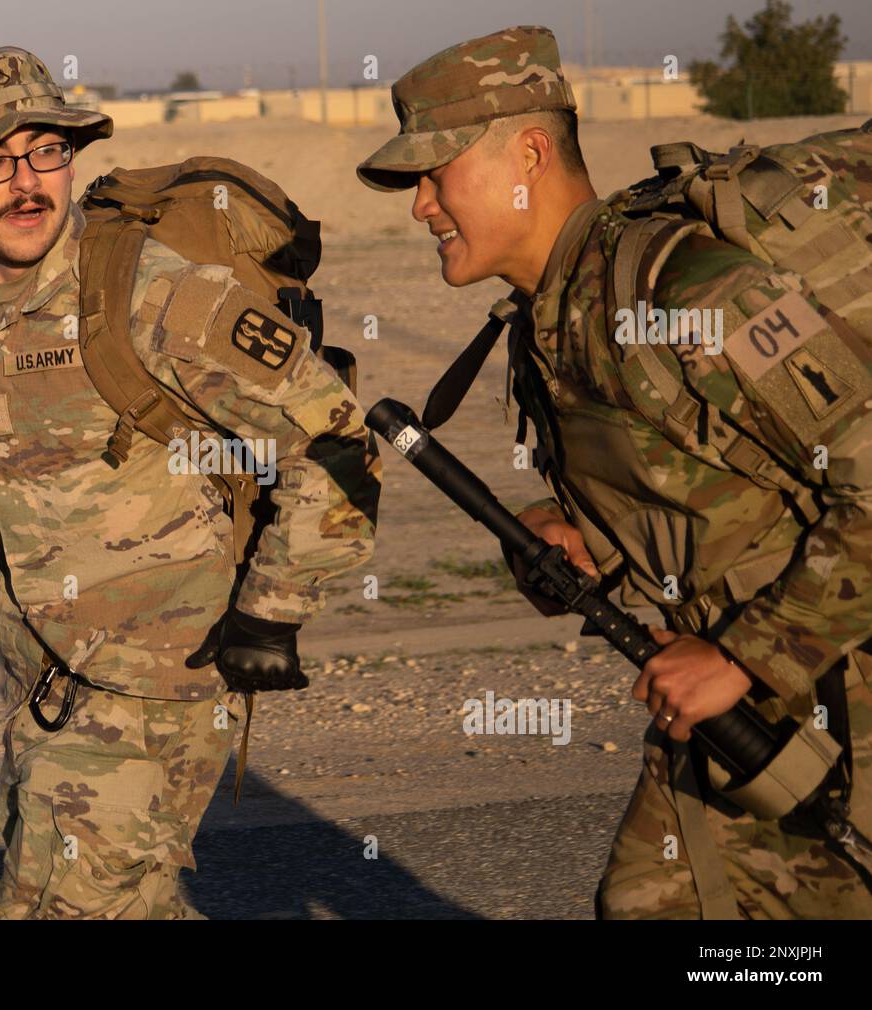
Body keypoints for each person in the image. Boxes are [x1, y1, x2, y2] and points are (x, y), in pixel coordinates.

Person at [356, 25, 872, 918]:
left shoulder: (689, 292)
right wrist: (580, 540)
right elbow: (701, 483)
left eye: (437, 175)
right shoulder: (553, 313)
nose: (422, 207)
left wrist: (745, 657)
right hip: (735, 718)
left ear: (529, 151)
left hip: (831, 695)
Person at [0, 46, 381, 919]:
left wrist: (273, 608)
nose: (26, 182)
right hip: (42, 676)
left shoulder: (151, 291)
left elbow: (335, 437)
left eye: (45, 152)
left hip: (157, 679)